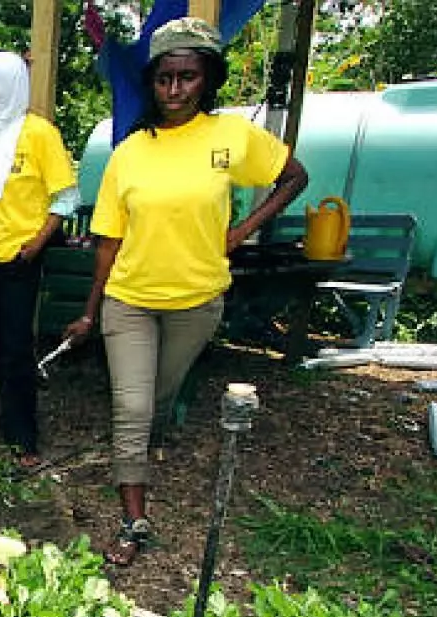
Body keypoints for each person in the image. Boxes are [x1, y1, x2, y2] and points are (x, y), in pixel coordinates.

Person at [63, 17, 308, 566]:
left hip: (196, 303)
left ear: (207, 78)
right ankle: (133, 519)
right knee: (130, 404)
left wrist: (243, 231)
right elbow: (108, 241)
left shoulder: (232, 138)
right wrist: (89, 311)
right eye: (164, 78)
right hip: (130, 299)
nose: (174, 90)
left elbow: (294, 176)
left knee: (158, 401)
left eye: (188, 77)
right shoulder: (129, 151)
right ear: (152, 82)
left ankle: (144, 444)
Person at [0, 52, 79, 470]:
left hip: (19, 257)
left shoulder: (40, 134)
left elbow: (65, 198)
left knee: (15, 348)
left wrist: (36, 243)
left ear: (0, 87)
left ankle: (22, 435)